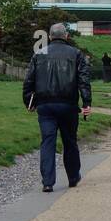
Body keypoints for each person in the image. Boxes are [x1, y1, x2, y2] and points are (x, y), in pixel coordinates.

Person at [22, 23, 91, 193]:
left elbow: (29, 80)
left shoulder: (39, 54)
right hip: (68, 104)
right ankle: (73, 176)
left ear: (50, 36)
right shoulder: (75, 54)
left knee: (47, 142)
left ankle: (48, 182)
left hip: (45, 104)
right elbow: (83, 80)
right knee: (70, 141)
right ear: (66, 36)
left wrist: (28, 102)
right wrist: (87, 102)